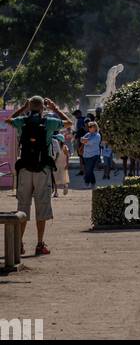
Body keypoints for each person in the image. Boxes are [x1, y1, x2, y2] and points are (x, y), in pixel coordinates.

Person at [11, 95, 69, 256]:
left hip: (24, 169)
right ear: (43, 107)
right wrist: (55, 108)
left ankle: (19, 244)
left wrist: (23, 108)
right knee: (41, 207)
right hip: (42, 169)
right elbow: (69, 123)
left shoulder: (23, 121)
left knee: (22, 207)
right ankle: (39, 244)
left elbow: (8, 120)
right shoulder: (49, 122)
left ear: (30, 106)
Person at [81, 119, 101, 187]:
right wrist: (85, 140)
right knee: (88, 169)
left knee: (89, 169)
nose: (88, 128)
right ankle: (92, 182)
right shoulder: (88, 134)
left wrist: (85, 140)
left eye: (90, 126)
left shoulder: (97, 135)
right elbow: (81, 140)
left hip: (94, 155)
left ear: (95, 127)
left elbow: (90, 142)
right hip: (86, 155)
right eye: (88, 126)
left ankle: (87, 181)